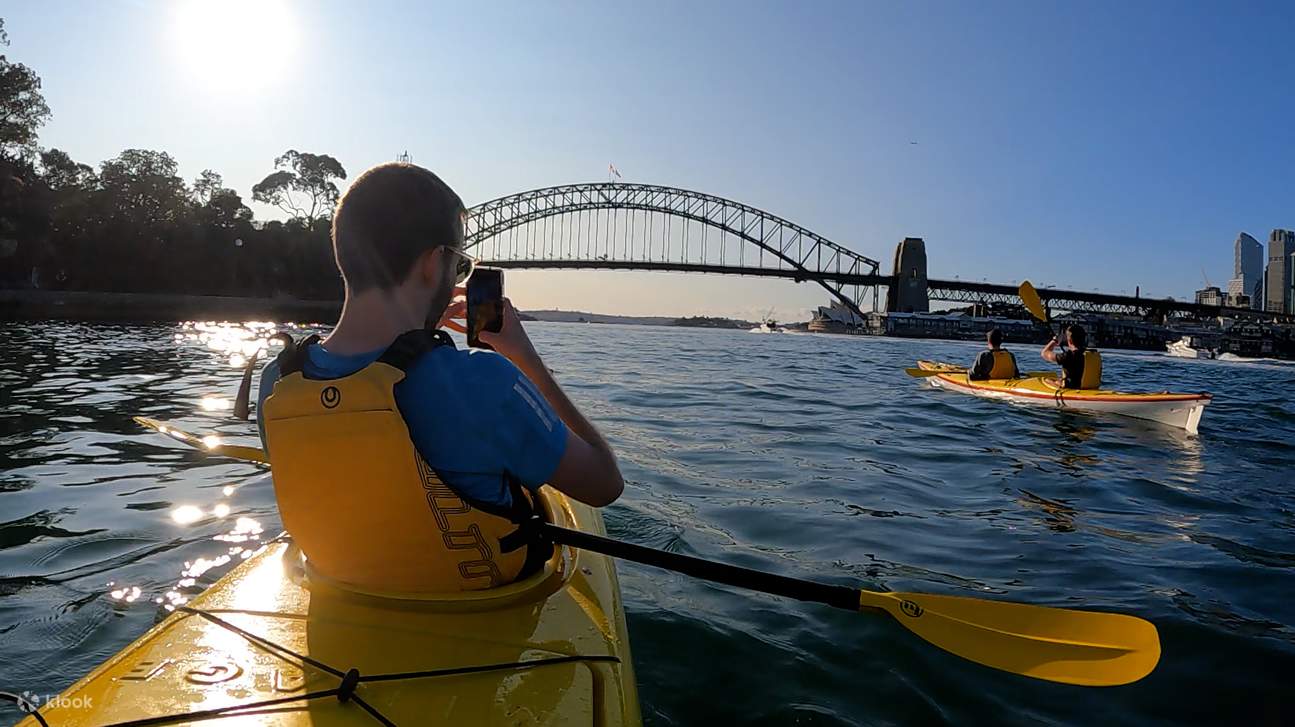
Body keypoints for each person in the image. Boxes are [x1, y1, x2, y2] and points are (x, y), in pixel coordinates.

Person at [253, 162, 624, 593]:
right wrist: (525, 359)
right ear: (433, 264)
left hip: (343, 604)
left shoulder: (276, 382)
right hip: (477, 619)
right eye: (459, 265)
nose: (457, 279)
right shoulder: (485, 382)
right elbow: (604, 484)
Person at [1041, 324, 1103, 390]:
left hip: (1072, 389)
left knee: (1046, 380)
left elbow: (1044, 353)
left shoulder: (1068, 356)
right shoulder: (1094, 353)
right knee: (1059, 380)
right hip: (1092, 388)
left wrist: (1054, 341)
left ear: (1070, 340)